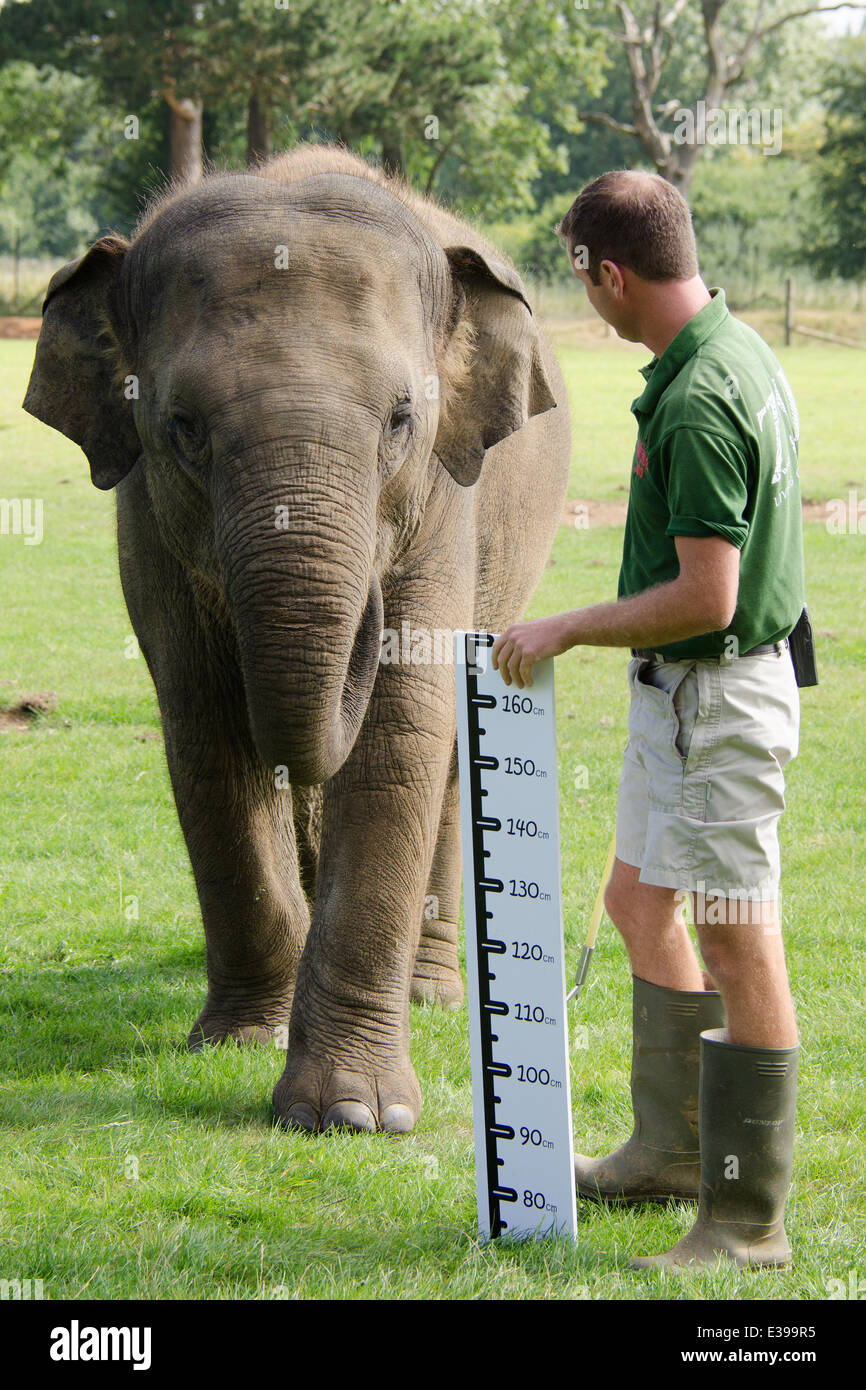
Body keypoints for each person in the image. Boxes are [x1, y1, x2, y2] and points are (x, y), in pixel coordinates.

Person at [491, 170, 804, 1271]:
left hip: (717, 696)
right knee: (636, 902)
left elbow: (708, 596)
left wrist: (566, 625)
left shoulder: (698, 397)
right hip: (680, 698)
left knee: (733, 933)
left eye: (578, 275)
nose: (584, 297)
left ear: (606, 271)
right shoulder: (726, 351)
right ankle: (668, 1152)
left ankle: (742, 1217)